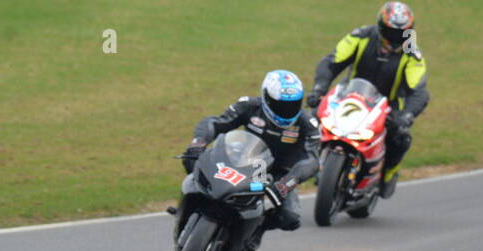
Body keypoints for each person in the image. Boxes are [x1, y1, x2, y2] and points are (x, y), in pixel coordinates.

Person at [308, 2, 429, 198]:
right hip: (350, 95)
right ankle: (302, 164)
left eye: (402, 33)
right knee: (312, 119)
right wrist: (319, 88)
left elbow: (419, 92)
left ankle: (387, 174)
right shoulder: (361, 36)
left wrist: (405, 116)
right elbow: (331, 61)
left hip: (387, 106)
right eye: (391, 32)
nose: (396, 39)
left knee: (401, 138)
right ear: (381, 27)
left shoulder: (412, 54)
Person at [181, 70, 320, 236]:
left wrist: (287, 183)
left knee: (290, 218)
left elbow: (312, 160)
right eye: (281, 104)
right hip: (242, 160)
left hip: (278, 174)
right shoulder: (249, 106)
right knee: (194, 168)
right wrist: (198, 142)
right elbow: (216, 123)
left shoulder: (308, 124)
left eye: (293, 104)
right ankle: (185, 211)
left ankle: (255, 231)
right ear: (266, 97)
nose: (287, 110)